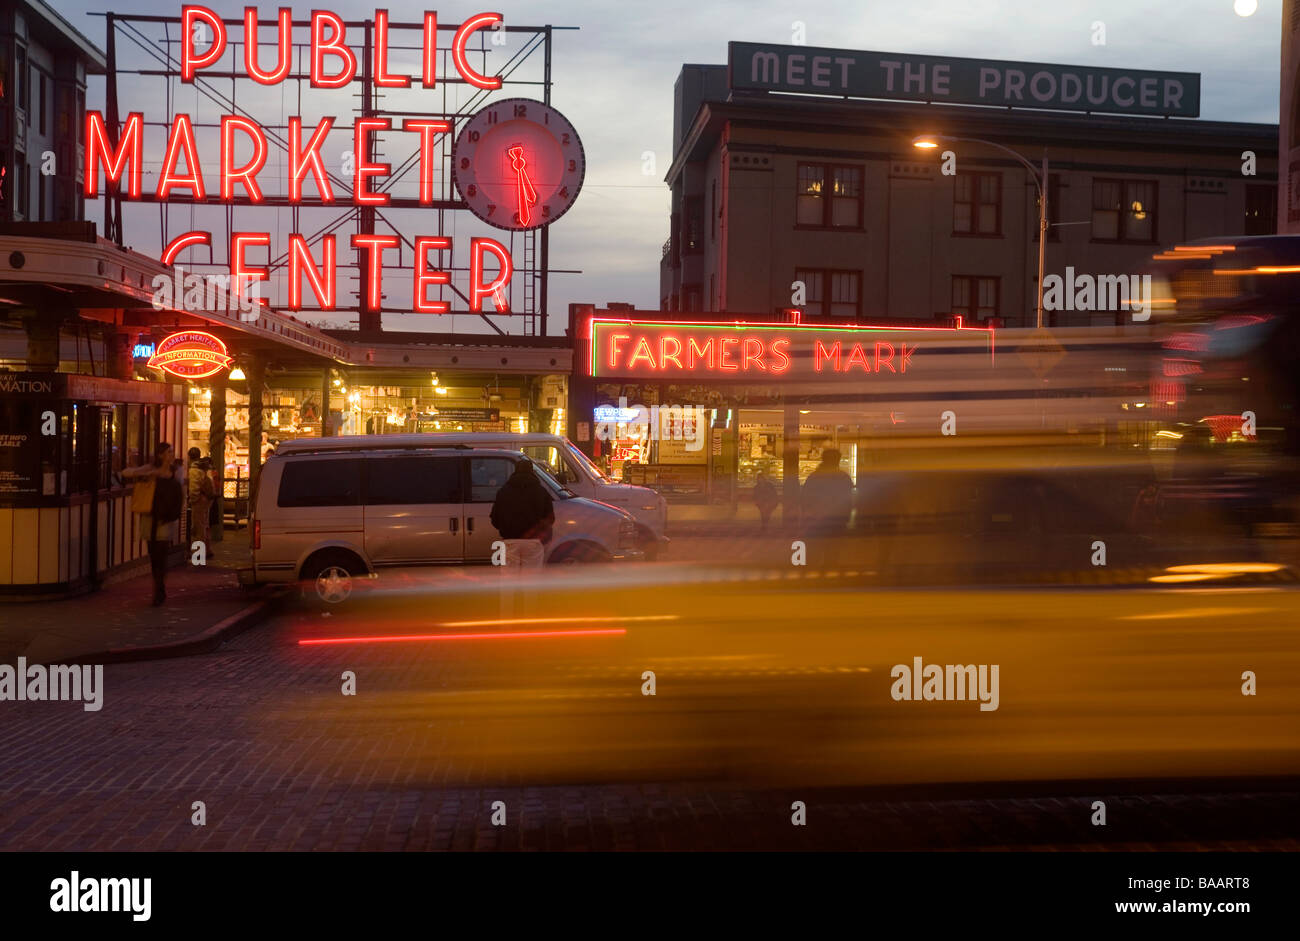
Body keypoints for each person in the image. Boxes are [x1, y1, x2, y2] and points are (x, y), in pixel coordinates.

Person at [123, 443, 185, 605]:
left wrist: (175, 513)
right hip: (150, 515)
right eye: (168, 452)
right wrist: (149, 473)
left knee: (161, 554)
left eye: (172, 451)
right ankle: (158, 586)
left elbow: (180, 493)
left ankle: (159, 589)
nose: (172, 454)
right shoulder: (151, 468)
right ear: (160, 455)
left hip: (165, 518)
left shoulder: (176, 471)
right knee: (153, 555)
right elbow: (126, 472)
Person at [489, 458, 555, 569]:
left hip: (510, 540)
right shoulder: (541, 491)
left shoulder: (503, 491)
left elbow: (495, 518)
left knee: (510, 576)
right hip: (534, 541)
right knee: (531, 577)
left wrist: (505, 528)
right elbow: (550, 518)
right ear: (532, 471)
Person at [800, 448, 854, 566]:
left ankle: (813, 573)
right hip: (836, 521)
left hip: (816, 520)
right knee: (832, 553)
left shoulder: (814, 477)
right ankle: (828, 571)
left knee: (814, 552)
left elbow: (805, 499)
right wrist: (846, 519)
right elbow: (848, 501)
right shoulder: (844, 478)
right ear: (837, 460)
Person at [187, 446, 215, 555]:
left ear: (189, 457)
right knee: (205, 525)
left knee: (197, 528)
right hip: (207, 500)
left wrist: (192, 500)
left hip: (199, 501)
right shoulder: (204, 467)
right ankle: (207, 550)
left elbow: (194, 489)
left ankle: (197, 554)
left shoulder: (194, 469)